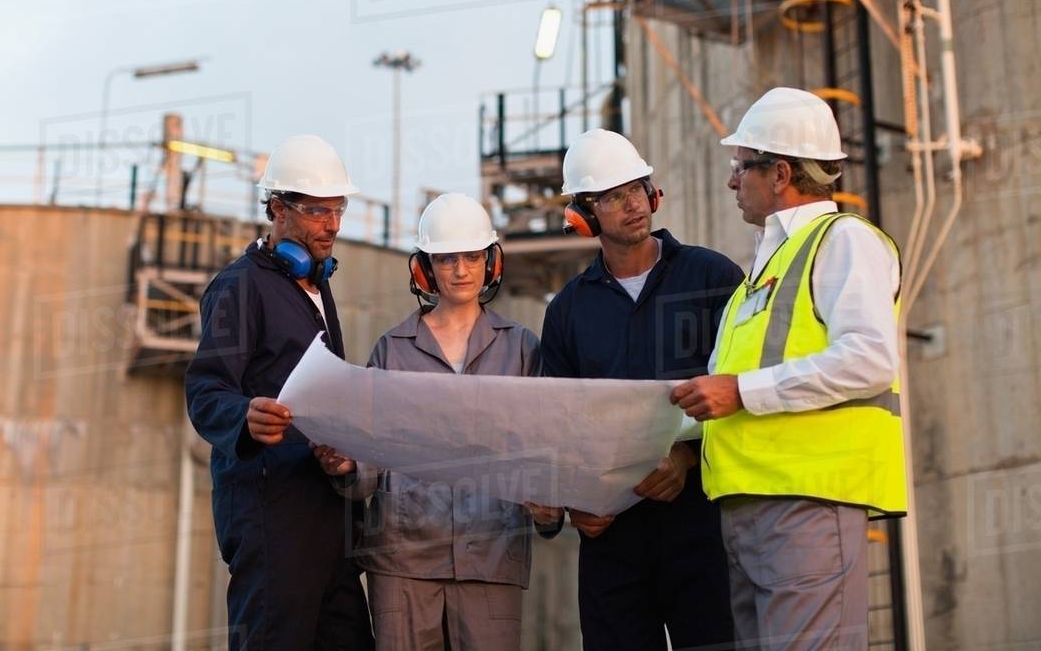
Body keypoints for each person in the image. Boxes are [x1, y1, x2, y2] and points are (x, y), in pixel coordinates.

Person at [671, 87, 907, 651]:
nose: (732, 181)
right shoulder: (758, 276)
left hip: (808, 504)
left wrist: (743, 392)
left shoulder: (843, 240)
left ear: (779, 173)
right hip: (746, 508)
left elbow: (869, 358)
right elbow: (721, 395)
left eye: (740, 166)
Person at [313, 192, 564, 651]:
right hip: (401, 562)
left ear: (492, 262)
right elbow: (370, 454)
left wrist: (550, 508)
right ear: (424, 269)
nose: (461, 270)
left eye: (472, 256)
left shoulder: (522, 349)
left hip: (492, 558)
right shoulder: (392, 350)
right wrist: (346, 467)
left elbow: (545, 449)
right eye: (447, 259)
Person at [541, 129, 741, 650]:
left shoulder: (713, 278)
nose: (633, 204)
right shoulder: (567, 311)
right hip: (612, 537)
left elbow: (744, 391)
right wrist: (577, 502)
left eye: (638, 188)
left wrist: (685, 460)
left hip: (702, 526)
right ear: (584, 215)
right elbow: (559, 425)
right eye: (612, 196)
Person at [184, 134, 374, 651]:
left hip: (328, 521)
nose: (333, 225)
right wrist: (244, 415)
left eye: (339, 209)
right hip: (272, 520)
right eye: (318, 211)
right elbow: (205, 390)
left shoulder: (317, 286)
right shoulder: (239, 287)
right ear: (276, 209)